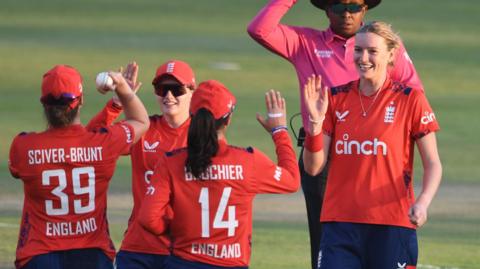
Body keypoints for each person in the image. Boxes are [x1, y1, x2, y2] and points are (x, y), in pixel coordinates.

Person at [247, 1, 424, 267]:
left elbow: (412, 95)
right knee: (326, 247)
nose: (347, 12)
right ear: (327, 9)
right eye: (339, 5)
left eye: (354, 5)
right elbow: (259, 29)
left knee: (381, 241)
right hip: (321, 154)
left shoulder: (382, 47)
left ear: (365, 9)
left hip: (372, 156)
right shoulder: (305, 42)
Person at [302, 21, 442, 268]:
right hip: (339, 225)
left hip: (392, 225)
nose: (363, 57)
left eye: (372, 51)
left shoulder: (411, 100)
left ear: (391, 55)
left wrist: (423, 202)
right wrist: (314, 127)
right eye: (358, 50)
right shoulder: (335, 98)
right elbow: (313, 168)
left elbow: (433, 164)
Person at [138, 80, 300, 268]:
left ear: (192, 116)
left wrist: (176, 231)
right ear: (228, 120)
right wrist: (279, 131)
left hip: (183, 262)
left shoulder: (171, 162)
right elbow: (292, 180)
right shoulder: (249, 161)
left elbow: (148, 218)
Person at [8, 65, 149, 269]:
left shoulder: (23, 146)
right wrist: (122, 90)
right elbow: (140, 120)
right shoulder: (103, 143)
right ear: (80, 101)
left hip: (40, 255)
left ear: (44, 104)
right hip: (93, 255)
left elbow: (21, 167)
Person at [87, 60, 196, 269]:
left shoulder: (202, 136)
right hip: (138, 249)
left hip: (182, 251)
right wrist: (119, 101)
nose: (168, 96)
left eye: (176, 89)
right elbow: (92, 141)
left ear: (192, 91)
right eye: (162, 89)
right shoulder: (143, 129)